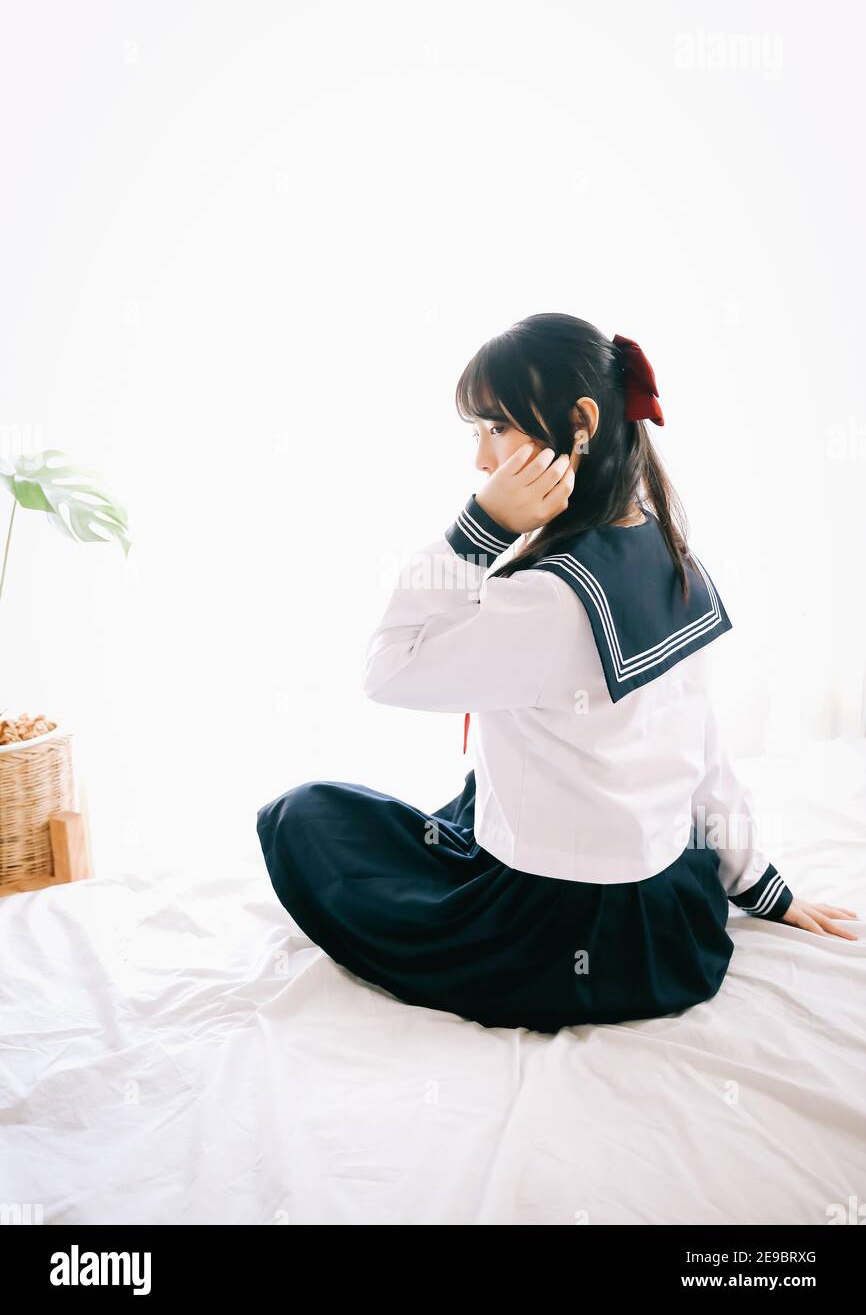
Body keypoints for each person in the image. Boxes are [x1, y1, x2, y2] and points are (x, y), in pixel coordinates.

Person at [256, 313, 857, 1033]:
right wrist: (761, 886)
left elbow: (388, 667)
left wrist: (476, 530)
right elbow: (702, 749)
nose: (482, 460)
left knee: (303, 815)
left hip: (560, 933)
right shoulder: (673, 553)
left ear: (580, 423)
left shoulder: (544, 600)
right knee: (480, 789)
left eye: (496, 428)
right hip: (667, 919)